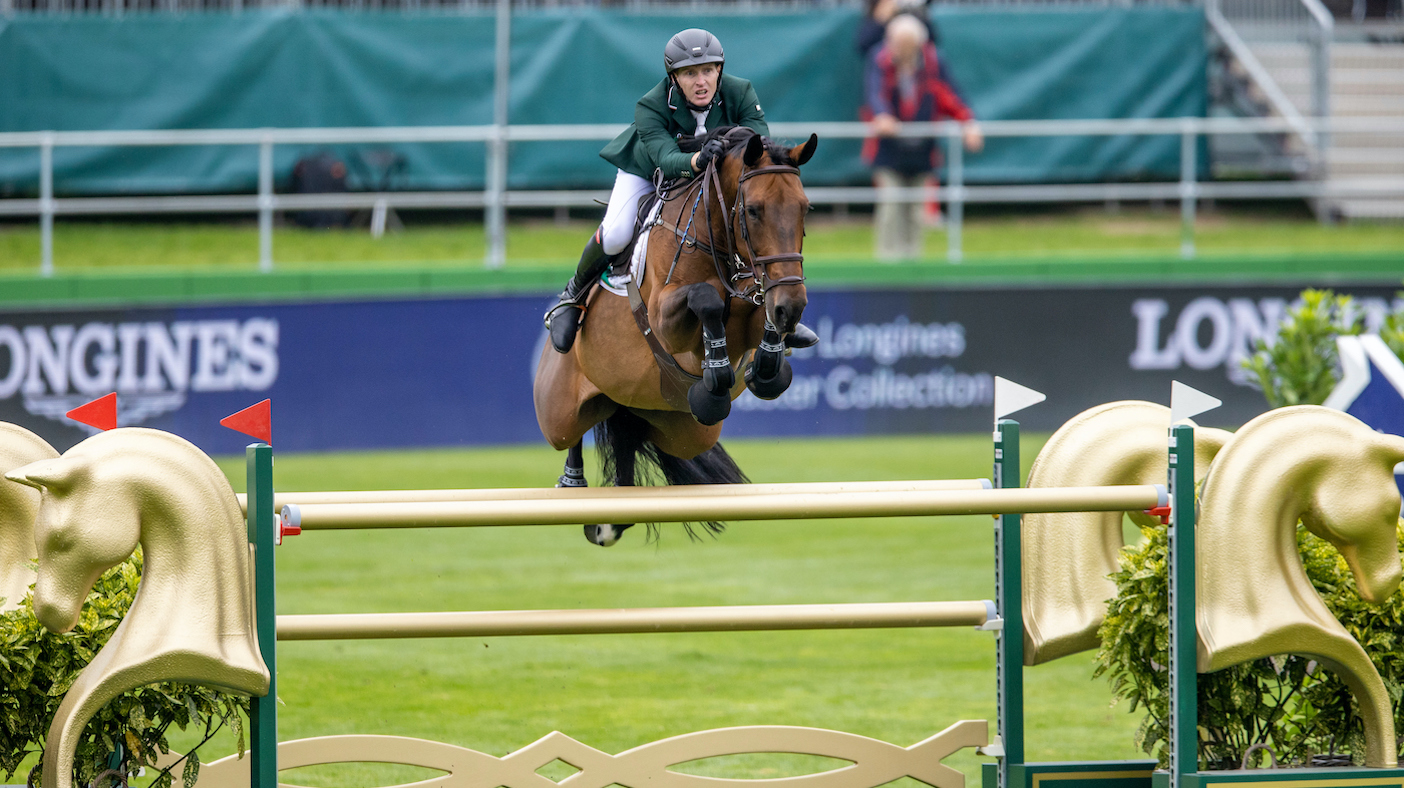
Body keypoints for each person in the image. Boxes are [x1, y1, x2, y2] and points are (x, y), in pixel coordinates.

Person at [543, 29, 816, 355]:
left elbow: (759, 149)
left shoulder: (740, 91)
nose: (701, 81)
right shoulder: (651, 105)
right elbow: (668, 160)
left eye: (708, 71)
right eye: (689, 73)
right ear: (674, 77)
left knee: (754, 223)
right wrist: (700, 157)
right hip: (649, 170)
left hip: (716, 172)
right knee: (616, 233)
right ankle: (573, 295)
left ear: (719, 69)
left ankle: (777, 311)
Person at [864, 14, 983, 261]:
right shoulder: (880, 58)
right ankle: (887, 265)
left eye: (906, 45)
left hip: (923, 150)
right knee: (890, 208)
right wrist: (882, 115)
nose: (899, 50)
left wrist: (968, 123)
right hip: (888, 150)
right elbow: (874, 93)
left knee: (917, 212)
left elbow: (949, 94)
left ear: (918, 44)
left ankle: (912, 265)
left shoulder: (933, 62)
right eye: (896, 43)